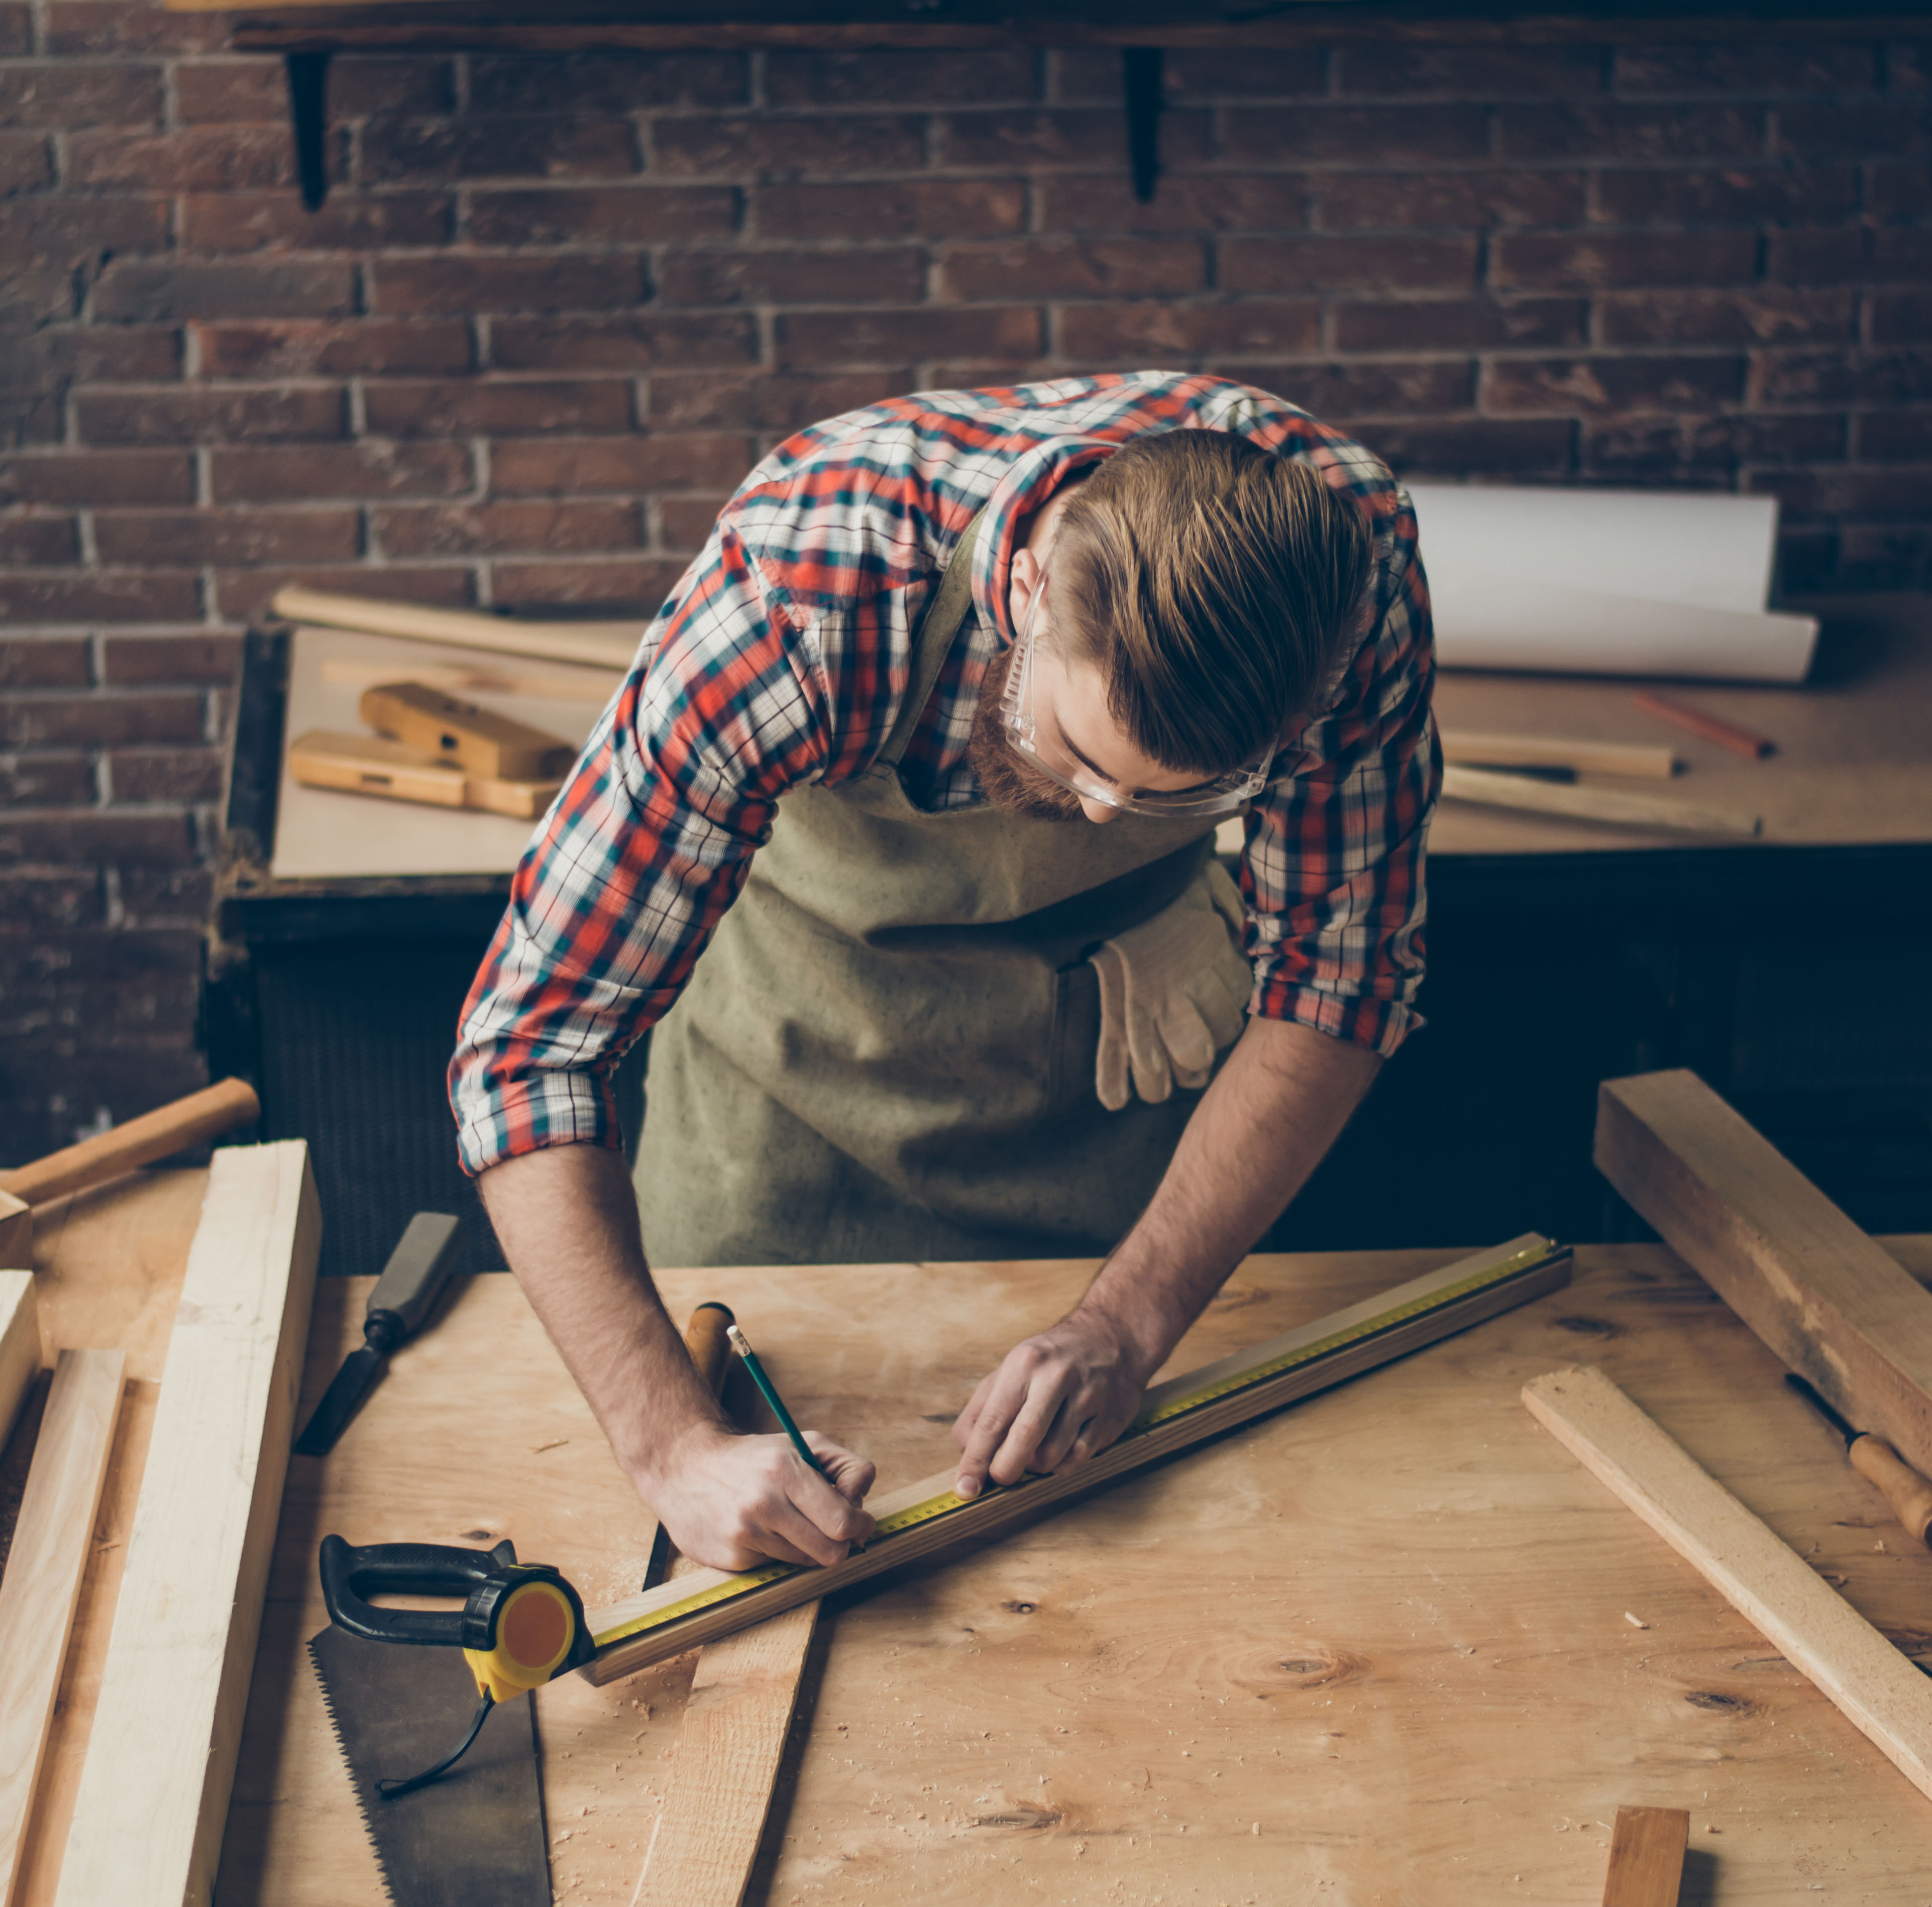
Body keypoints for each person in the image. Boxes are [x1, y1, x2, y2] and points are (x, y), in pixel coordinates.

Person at [451, 371, 1435, 1578]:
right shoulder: (805, 589)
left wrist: (1124, 1325)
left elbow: (1340, 979)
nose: (1098, 816)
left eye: (1177, 799)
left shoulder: (1352, 576)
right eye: (1076, 754)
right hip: (787, 1102)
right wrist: (670, 1447)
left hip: (1109, 1109)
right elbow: (531, 1048)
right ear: (1022, 588)